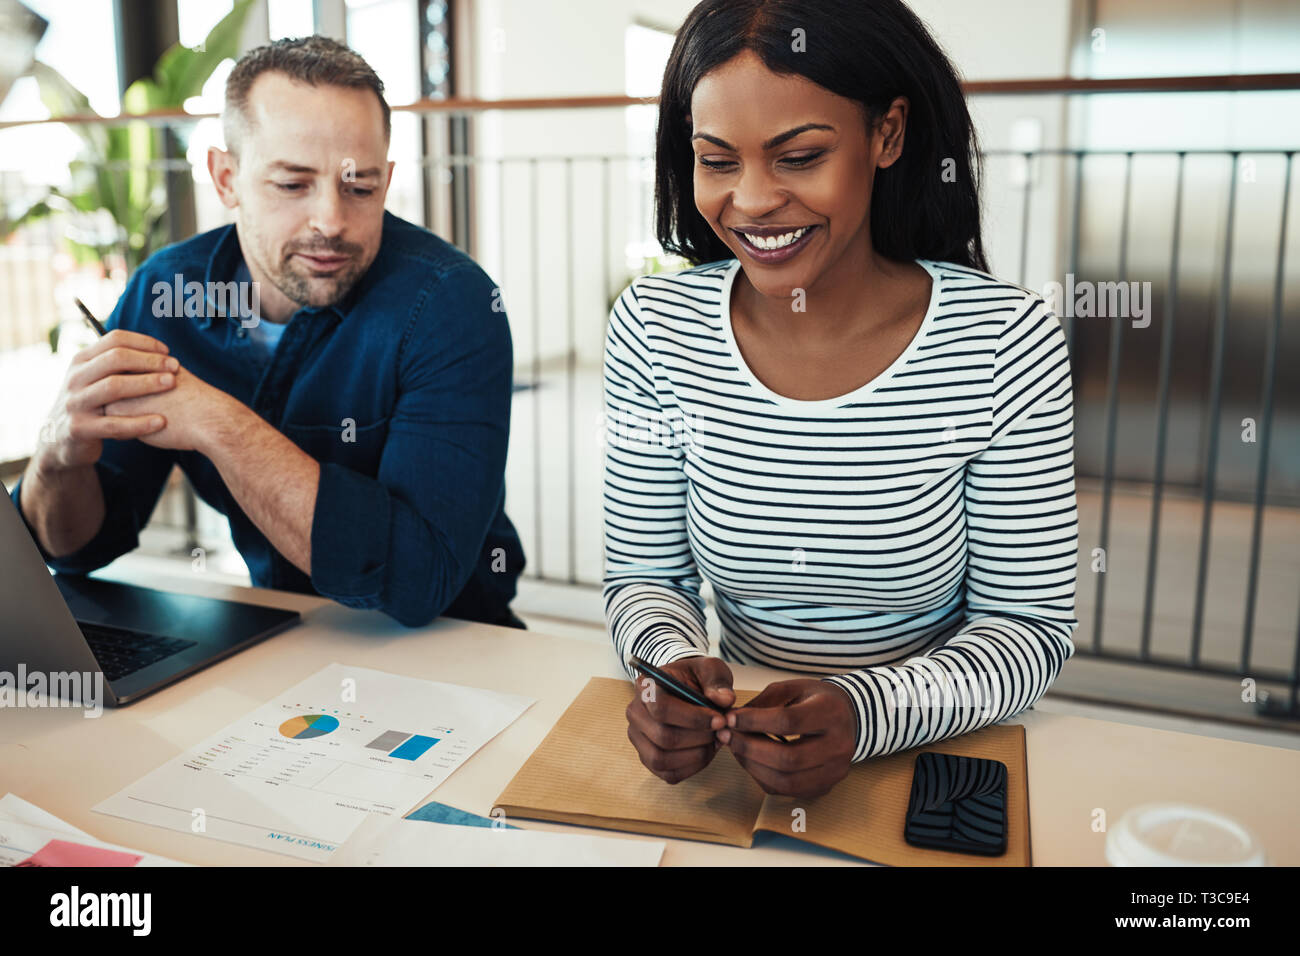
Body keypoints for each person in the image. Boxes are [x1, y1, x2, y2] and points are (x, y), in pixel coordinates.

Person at [608, 0, 1078, 798]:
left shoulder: (1006, 341)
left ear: (887, 135)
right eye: (718, 162)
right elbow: (645, 578)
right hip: (737, 758)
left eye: (798, 157)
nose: (751, 201)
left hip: (929, 746)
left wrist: (866, 713)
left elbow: (1028, 629)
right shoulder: (657, 327)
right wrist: (669, 668)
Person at [13, 36, 526, 629]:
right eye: (292, 185)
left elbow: (416, 580)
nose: (331, 221)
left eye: (359, 187)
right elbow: (79, 550)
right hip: (278, 639)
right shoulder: (167, 293)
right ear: (226, 178)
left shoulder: (452, 304)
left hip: (461, 649)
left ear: (386, 181)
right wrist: (56, 461)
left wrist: (216, 422)